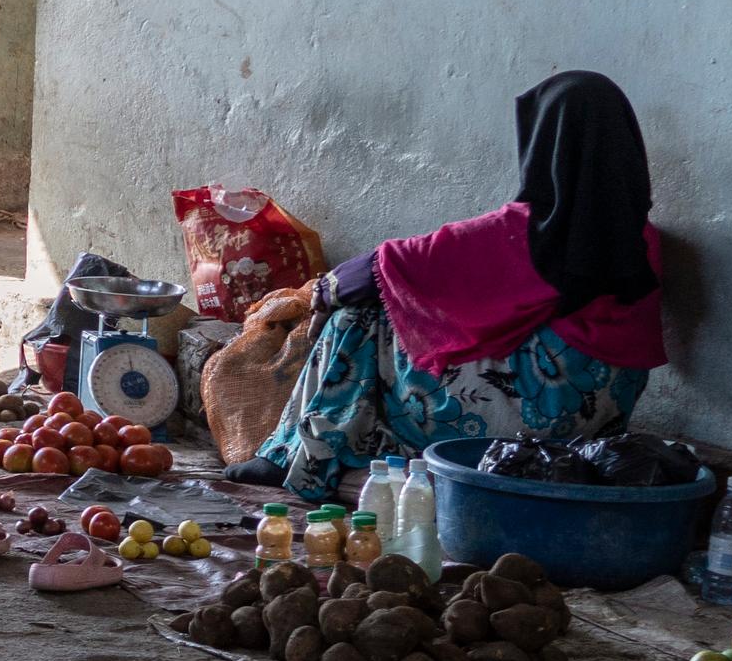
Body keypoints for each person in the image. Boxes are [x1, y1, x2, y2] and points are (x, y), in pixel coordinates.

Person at [241, 72, 668, 504]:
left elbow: (387, 266)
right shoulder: (641, 237)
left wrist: (324, 293)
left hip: (529, 419)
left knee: (357, 321)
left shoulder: (531, 231)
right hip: (598, 420)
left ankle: (294, 458)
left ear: (548, 144)